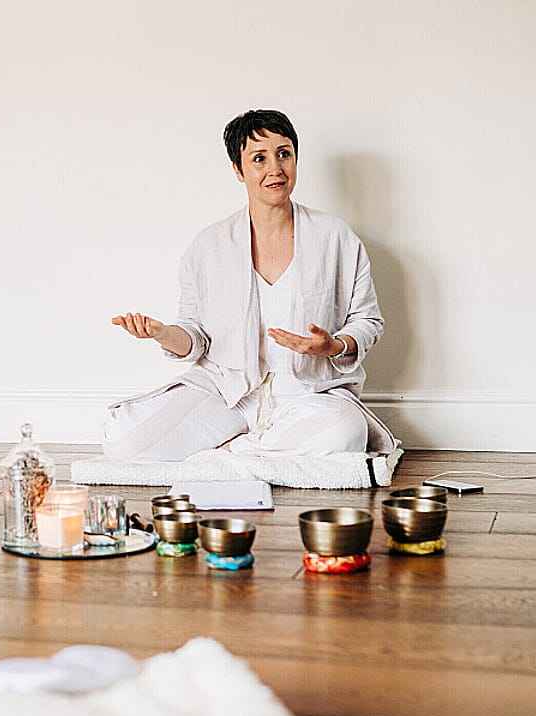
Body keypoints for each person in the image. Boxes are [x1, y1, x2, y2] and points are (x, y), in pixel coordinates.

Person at [103, 109, 395, 462]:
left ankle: (226, 454)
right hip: (227, 391)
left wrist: (334, 345)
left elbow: (368, 321)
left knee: (345, 430)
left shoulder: (336, 237)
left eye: (284, 154)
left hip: (307, 392)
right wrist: (163, 333)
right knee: (124, 440)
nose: (275, 168)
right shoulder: (208, 246)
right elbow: (195, 338)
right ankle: (260, 450)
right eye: (259, 158)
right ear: (238, 170)